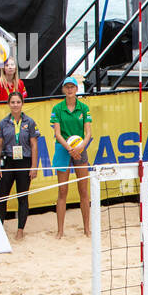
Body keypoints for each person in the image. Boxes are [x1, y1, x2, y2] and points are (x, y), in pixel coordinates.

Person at [0, 91, 40, 241]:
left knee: (22, 197)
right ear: (9, 104)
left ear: (22, 104)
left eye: (18, 102)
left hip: (24, 161)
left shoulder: (30, 122)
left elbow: (34, 145)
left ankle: (20, 230)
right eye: (12, 102)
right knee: (2, 197)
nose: (15, 105)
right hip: (8, 161)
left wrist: (34, 166)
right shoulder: (2, 123)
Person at [50, 76, 92, 238]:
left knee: (83, 190)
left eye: (72, 87)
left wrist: (80, 147)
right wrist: (70, 148)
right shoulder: (57, 108)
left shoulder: (83, 108)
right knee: (62, 191)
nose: (69, 89)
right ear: (63, 89)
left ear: (76, 89)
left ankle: (87, 229)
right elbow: (57, 133)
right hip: (63, 148)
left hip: (80, 148)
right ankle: (60, 230)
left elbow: (88, 133)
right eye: (67, 87)